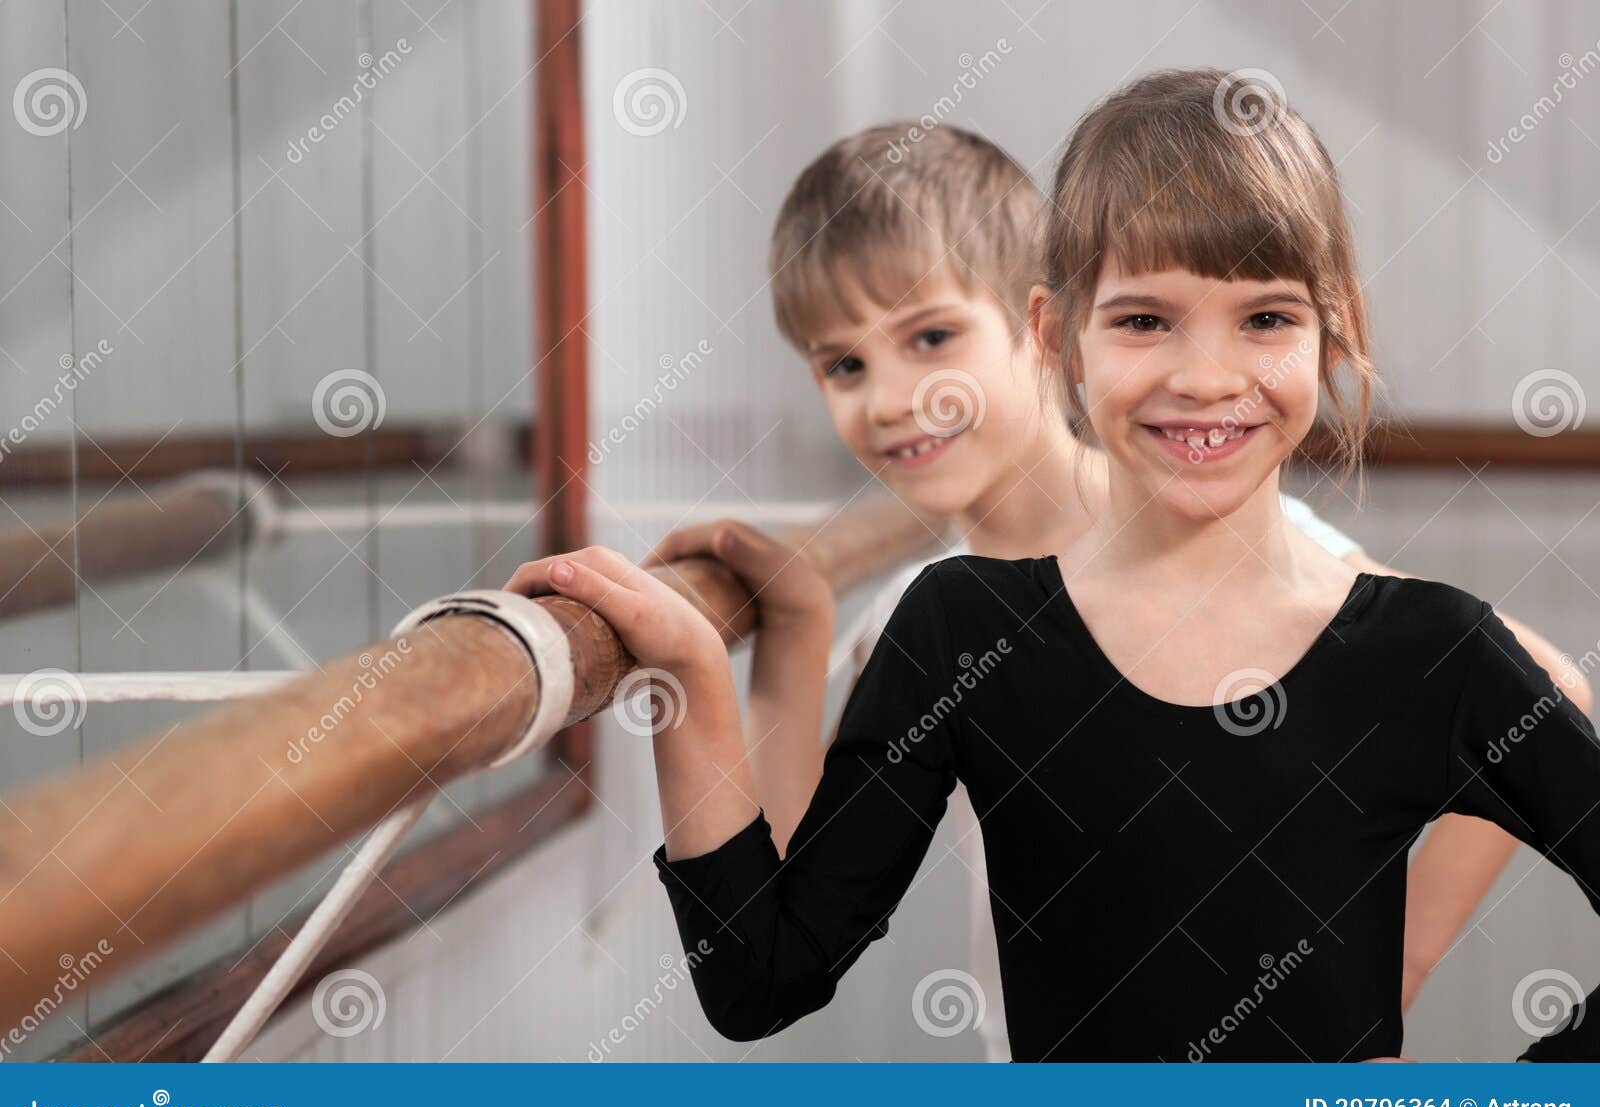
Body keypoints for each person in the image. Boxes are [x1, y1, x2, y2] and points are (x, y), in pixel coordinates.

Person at [555, 117, 1592, 1058]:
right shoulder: (938, 617)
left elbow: (1533, 688)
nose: (898, 401)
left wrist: (1373, 972)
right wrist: (783, 634)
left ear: (1032, 328)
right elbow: (772, 935)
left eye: (930, 337)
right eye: (842, 365)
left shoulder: (1240, 524)